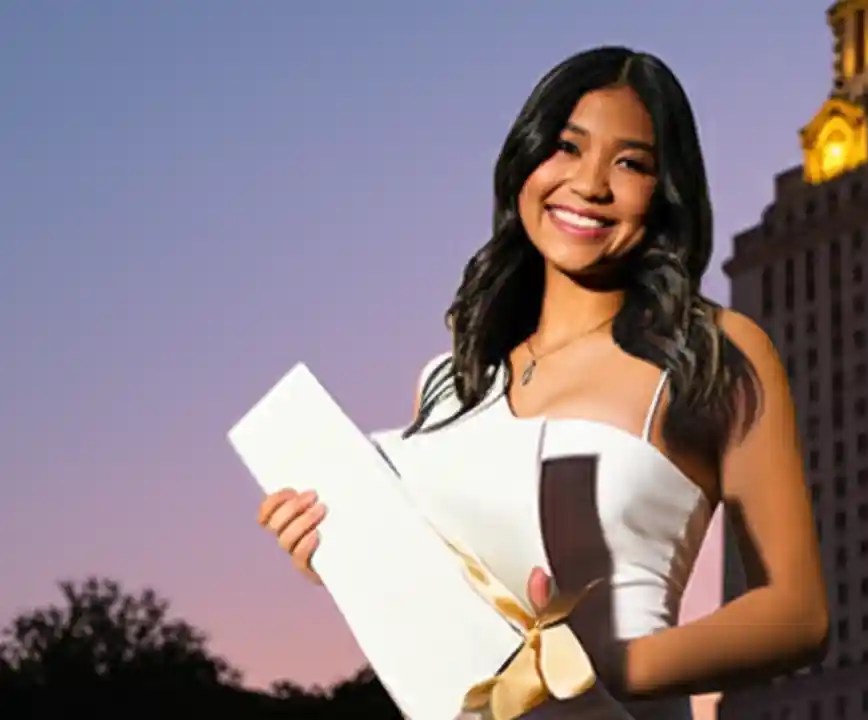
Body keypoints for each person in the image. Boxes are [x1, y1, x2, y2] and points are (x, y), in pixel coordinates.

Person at [255, 46, 828, 719]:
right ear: (524, 162)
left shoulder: (715, 352)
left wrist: (627, 662)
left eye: (631, 163)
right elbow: (431, 613)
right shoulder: (447, 381)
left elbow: (798, 613)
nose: (589, 184)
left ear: (664, 191)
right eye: (565, 147)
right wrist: (337, 553)